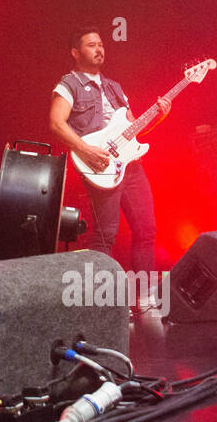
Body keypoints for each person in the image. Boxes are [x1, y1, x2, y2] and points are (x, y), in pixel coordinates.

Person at [49, 27, 170, 302]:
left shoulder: (114, 87)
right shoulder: (69, 84)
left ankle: (146, 298)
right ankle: (101, 304)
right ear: (75, 52)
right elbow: (56, 123)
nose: (99, 48)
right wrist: (85, 149)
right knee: (107, 235)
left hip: (130, 164)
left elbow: (134, 130)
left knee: (146, 228)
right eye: (91, 45)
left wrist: (160, 117)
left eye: (101, 44)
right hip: (99, 164)